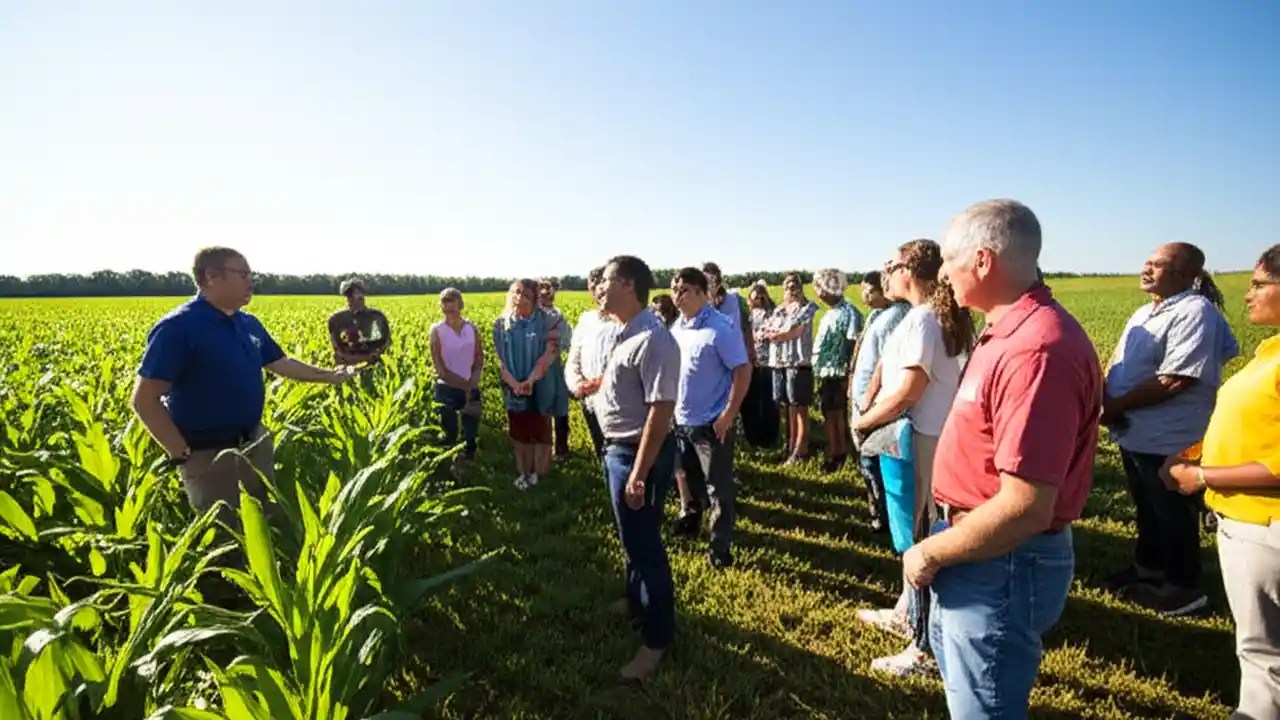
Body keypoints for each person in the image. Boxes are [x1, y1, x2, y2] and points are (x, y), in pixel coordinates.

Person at [894, 200, 1100, 717]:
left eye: (948, 259)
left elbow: (1027, 505)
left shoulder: (1036, 350)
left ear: (982, 261)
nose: (941, 272)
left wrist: (932, 554)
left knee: (984, 706)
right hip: (979, 549)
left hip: (1002, 558)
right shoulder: (1006, 330)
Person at [132, 247, 353, 529]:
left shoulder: (247, 323)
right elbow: (145, 398)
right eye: (242, 274)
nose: (251, 281)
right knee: (227, 538)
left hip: (254, 444)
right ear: (211, 277)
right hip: (209, 454)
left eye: (251, 274)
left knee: (266, 525)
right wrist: (180, 452)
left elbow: (280, 362)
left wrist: (329, 376)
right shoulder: (179, 328)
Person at [1162, 244, 1280, 719]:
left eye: (1258, 284)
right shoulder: (1270, 350)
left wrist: (1202, 476)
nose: (1246, 294)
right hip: (1249, 524)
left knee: (1264, 656)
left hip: (1265, 526)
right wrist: (1200, 453)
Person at [853, 238, 974, 677]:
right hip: (926, 436)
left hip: (924, 440)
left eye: (892, 264)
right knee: (916, 530)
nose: (886, 271)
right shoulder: (925, 317)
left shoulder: (924, 321)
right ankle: (908, 611)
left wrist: (864, 421)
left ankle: (923, 646)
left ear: (911, 270)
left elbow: (908, 390)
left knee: (921, 536)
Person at [1099, 243, 1239, 615]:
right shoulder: (1148, 311)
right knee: (1148, 507)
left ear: (1183, 274)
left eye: (1157, 265)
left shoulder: (1196, 311)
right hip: (1137, 429)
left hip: (1170, 435)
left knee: (1171, 511)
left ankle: (1182, 588)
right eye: (1146, 262)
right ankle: (1149, 570)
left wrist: (1114, 406)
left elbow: (1177, 379)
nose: (1146, 269)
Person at [593, 254, 681, 681]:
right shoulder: (624, 332)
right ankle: (634, 601)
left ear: (628, 285)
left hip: (637, 454)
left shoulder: (654, 339)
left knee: (645, 547)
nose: (599, 287)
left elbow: (660, 411)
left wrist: (639, 472)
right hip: (620, 450)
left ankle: (656, 641)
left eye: (606, 280)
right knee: (632, 537)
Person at [667, 268, 752, 569]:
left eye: (686, 290)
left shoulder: (721, 328)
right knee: (689, 480)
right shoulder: (677, 327)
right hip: (681, 421)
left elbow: (742, 371)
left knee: (719, 488)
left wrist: (728, 414)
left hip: (711, 423)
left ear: (704, 293)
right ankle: (692, 521)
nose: (678, 295)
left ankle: (720, 549)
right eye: (675, 289)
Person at [848, 270, 909, 533]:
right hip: (863, 399)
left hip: (875, 404)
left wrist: (870, 403)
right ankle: (878, 510)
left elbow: (886, 366)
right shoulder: (878, 315)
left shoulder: (900, 316)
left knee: (874, 462)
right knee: (867, 461)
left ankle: (885, 519)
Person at [493, 279, 560, 490]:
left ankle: (540, 475)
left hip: (540, 382)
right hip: (513, 384)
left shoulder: (545, 321)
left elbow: (549, 353)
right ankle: (523, 472)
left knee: (540, 429)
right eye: (516, 292)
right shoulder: (501, 324)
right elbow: (501, 360)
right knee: (519, 432)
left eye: (525, 295)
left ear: (534, 300)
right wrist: (515, 384)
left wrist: (530, 380)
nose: (519, 298)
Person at [762, 272, 819, 463]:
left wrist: (777, 334)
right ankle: (790, 446)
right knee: (787, 407)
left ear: (801, 287)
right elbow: (764, 330)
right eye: (787, 285)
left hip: (798, 363)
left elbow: (793, 330)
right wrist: (776, 332)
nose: (791, 289)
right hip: (779, 363)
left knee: (799, 406)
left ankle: (801, 450)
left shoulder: (808, 307)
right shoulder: (779, 310)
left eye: (795, 285)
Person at [811, 268, 862, 472]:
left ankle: (841, 452)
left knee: (838, 413)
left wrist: (849, 374)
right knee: (828, 412)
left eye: (820, 288)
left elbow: (852, 344)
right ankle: (834, 450)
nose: (818, 293)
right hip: (825, 372)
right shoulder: (829, 314)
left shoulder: (849, 313)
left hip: (840, 372)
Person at [430, 287, 484, 473]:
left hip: (471, 385)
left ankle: (468, 467)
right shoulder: (436, 331)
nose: (449, 309)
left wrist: (473, 383)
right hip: (447, 388)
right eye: (445, 304)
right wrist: (465, 386)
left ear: (460, 305)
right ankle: (448, 470)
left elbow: (478, 358)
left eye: (452, 304)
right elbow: (440, 369)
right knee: (449, 433)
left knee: (470, 434)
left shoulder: (472, 328)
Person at [566, 266, 616, 458]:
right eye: (593, 287)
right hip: (589, 399)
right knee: (600, 449)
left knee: (620, 454)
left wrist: (599, 383)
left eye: (602, 285)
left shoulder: (625, 322)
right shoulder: (586, 320)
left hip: (617, 401)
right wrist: (577, 383)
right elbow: (573, 358)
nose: (598, 291)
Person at [742, 280, 781, 448]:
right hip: (749, 362)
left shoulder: (771, 313)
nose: (758, 295)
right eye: (755, 292)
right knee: (750, 401)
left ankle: (769, 437)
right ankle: (753, 437)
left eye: (761, 292)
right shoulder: (746, 313)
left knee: (768, 401)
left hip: (767, 362)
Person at [538, 278, 574, 459]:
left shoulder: (556, 313)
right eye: (543, 290)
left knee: (561, 407)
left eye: (549, 290)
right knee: (543, 407)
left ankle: (561, 449)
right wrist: (547, 335)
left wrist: (547, 335)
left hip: (555, 365)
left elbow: (564, 335)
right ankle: (544, 450)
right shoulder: (534, 314)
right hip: (539, 366)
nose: (547, 294)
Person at [329, 277, 391, 365]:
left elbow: (386, 342)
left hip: (374, 361)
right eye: (352, 295)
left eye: (360, 294)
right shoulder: (336, 319)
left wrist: (374, 356)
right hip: (348, 364)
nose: (357, 297)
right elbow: (337, 347)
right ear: (347, 297)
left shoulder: (378, 316)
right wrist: (354, 359)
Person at [702, 262, 755, 364]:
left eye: (711, 281)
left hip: (735, 355)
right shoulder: (698, 305)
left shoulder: (736, 300)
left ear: (718, 284)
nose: (708, 286)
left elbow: (746, 325)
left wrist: (751, 349)